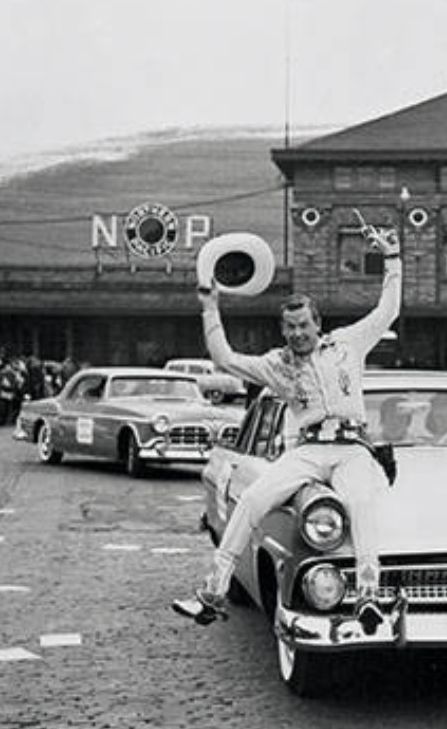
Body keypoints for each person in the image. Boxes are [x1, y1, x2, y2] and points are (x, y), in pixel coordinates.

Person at [172, 226, 401, 631]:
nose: (297, 334)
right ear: (283, 329)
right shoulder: (277, 364)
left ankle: (368, 596)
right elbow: (224, 357)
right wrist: (210, 306)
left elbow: (388, 310)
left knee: (362, 503)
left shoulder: (349, 343)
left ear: (317, 324)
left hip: (352, 447)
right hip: (307, 451)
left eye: (303, 326)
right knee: (253, 500)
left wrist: (392, 259)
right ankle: (212, 592)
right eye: (290, 327)